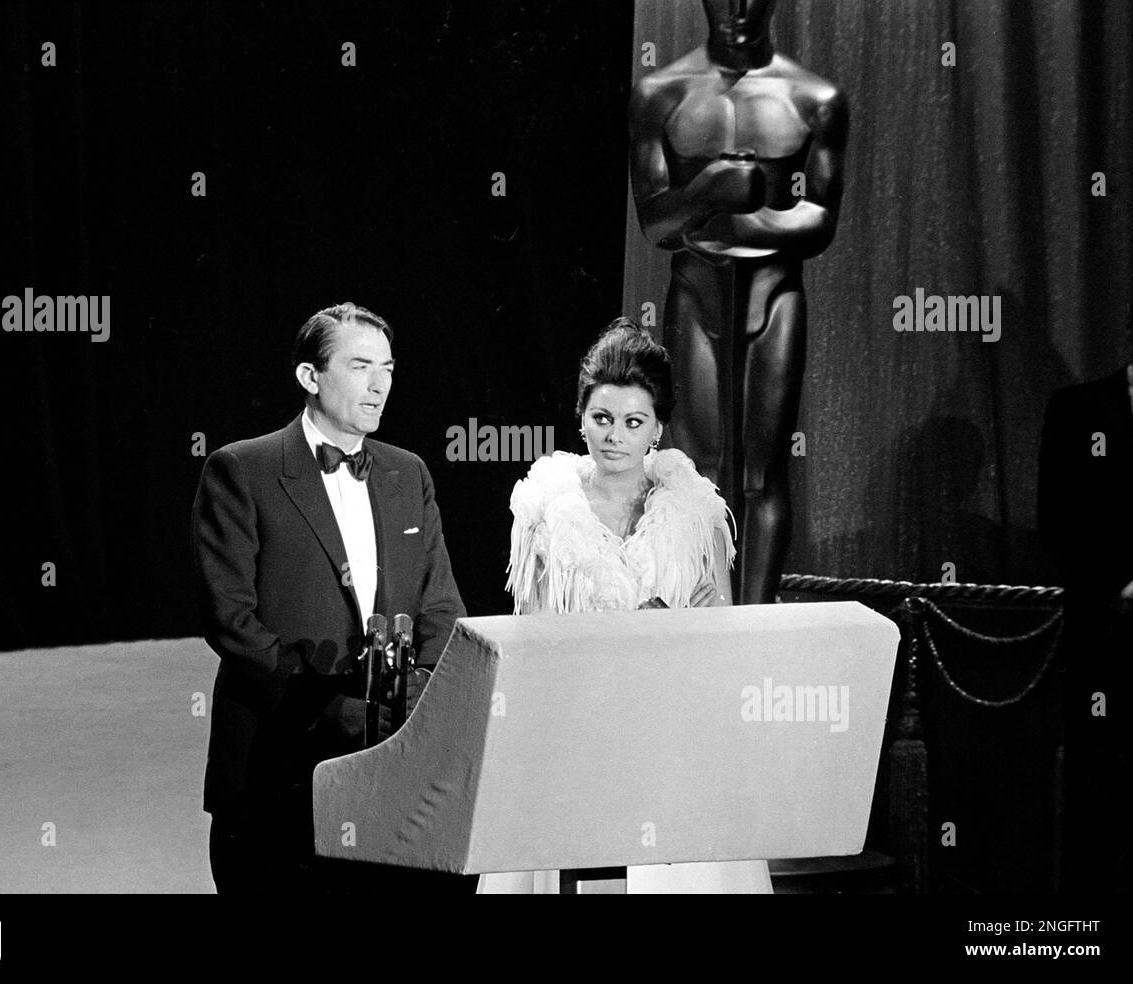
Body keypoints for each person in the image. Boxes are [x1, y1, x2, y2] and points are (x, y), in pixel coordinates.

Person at [477, 318, 772, 893]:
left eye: (634, 422)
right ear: (582, 418)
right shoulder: (547, 511)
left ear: (657, 428)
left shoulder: (696, 514)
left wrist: (686, 630)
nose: (615, 435)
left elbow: (722, 632)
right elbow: (532, 640)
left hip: (674, 734)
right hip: (575, 731)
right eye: (602, 418)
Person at [191, 301, 467, 895]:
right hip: (277, 770)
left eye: (388, 368)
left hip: (395, 767)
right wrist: (321, 706)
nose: (379, 384)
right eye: (360, 365)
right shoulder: (241, 469)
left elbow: (441, 606)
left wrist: (416, 692)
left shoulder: (408, 473)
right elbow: (230, 618)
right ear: (309, 377)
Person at [628, 0, 848, 604]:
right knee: (697, 468)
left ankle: (751, 624)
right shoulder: (661, 92)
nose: (739, 9)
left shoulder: (814, 97)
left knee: (759, 473)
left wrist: (737, 218)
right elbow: (654, 222)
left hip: (775, 296)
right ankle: (702, 619)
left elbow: (823, 220)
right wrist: (708, 189)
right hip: (697, 295)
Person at [1038, 278, 1133, 891]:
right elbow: (1058, 522)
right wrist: (1123, 591)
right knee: (1101, 787)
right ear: (1130, 326)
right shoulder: (1081, 410)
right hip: (1107, 626)